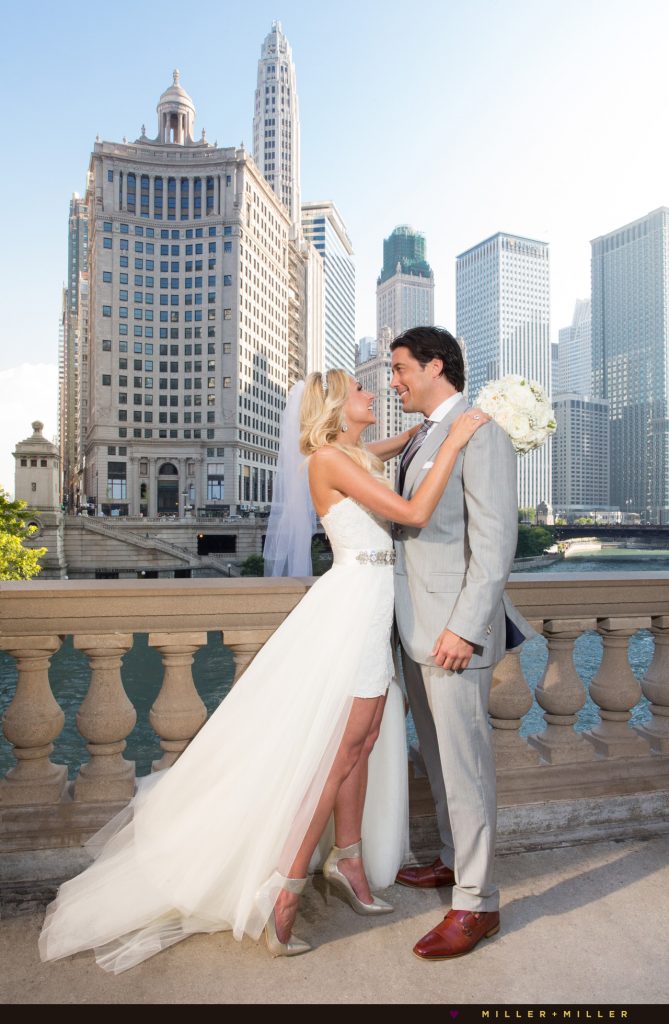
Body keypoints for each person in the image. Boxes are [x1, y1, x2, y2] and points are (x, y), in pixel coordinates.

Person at [38, 369, 487, 974]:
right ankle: (286, 884)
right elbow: (411, 508)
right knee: (339, 750)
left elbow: (391, 449)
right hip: (353, 608)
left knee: (363, 741)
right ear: (336, 407)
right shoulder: (330, 460)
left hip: (372, 605)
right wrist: (455, 441)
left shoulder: (350, 452)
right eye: (361, 390)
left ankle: (347, 859)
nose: (372, 394)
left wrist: (428, 431)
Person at [390, 325, 534, 961]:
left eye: (400, 369)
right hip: (412, 628)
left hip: (451, 633)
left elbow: (494, 543)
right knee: (441, 759)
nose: (393, 381)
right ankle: (453, 862)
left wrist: (465, 628)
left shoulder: (481, 433)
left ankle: (478, 904)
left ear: (434, 365)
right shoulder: (423, 435)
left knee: (467, 766)